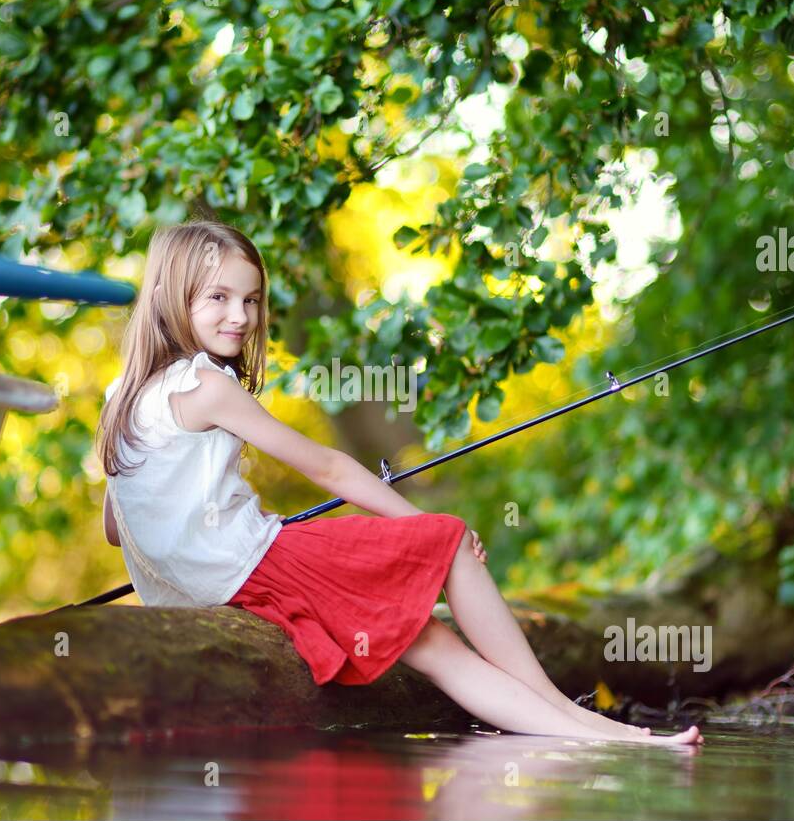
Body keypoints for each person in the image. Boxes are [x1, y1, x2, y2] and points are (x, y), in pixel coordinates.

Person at [95, 219, 703, 746]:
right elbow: (328, 468)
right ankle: (584, 720)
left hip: (197, 589)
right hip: (253, 565)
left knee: (432, 642)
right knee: (450, 539)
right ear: (175, 297)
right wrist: (417, 526)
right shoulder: (207, 385)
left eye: (251, 301)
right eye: (219, 297)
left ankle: (588, 731)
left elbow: (117, 530)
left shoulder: (121, 396)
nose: (241, 316)